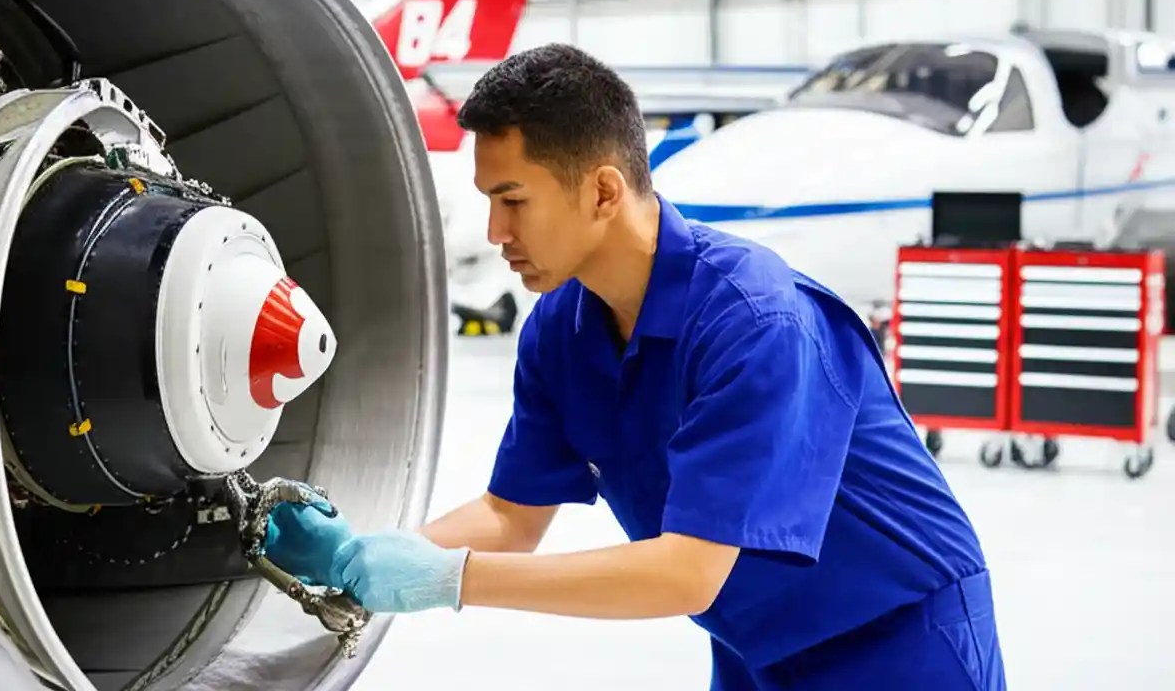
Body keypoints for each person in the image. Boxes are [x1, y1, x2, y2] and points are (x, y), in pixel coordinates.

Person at [263, 43, 1006, 690]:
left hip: (898, 637)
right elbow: (511, 517)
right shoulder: (561, 327)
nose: (495, 231)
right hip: (758, 647)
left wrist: (449, 582)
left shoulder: (754, 322)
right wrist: (366, 555)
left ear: (603, 191)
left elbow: (687, 571)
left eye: (513, 200)